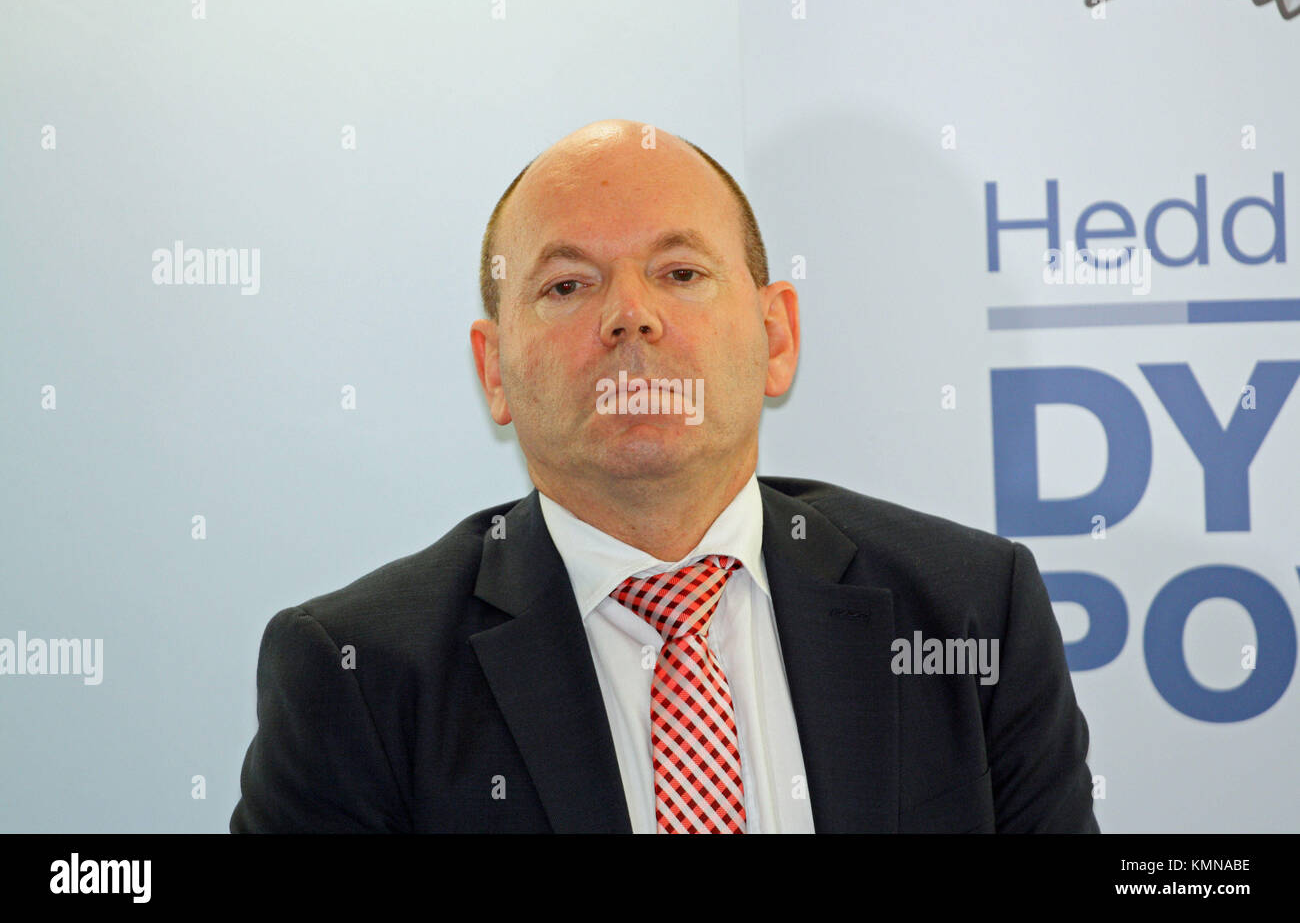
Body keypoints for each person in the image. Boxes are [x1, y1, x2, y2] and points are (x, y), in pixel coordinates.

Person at [229, 119, 1100, 833]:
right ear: (495, 370)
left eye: (680, 274)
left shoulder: (971, 609)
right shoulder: (359, 676)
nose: (630, 315)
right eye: (567, 286)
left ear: (777, 338)